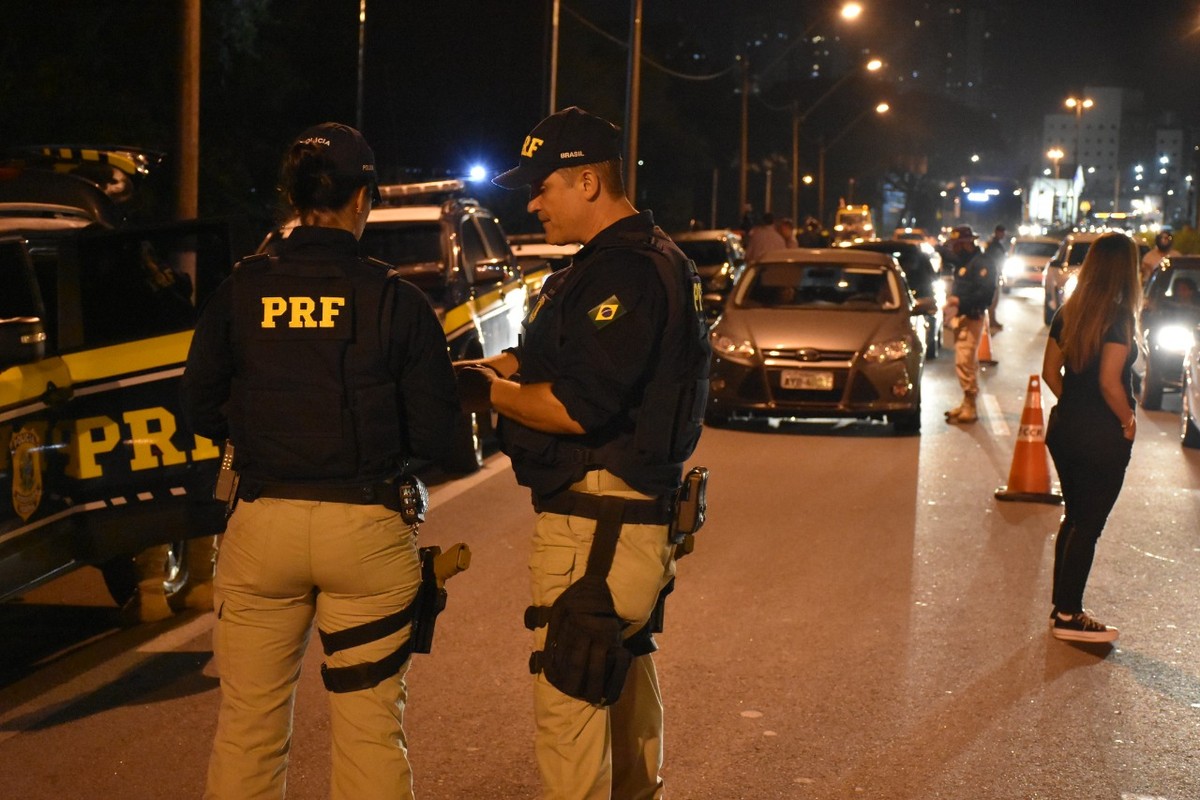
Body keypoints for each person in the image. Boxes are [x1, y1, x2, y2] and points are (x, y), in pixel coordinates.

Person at [181, 122, 461, 800]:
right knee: (368, 731)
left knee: (248, 726)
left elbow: (194, 410)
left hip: (261, 523)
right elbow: (442, 437)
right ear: (363, 198)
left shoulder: (241, 291)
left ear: (291, 197)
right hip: (365, 530)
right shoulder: (394, 298)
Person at [460, 106, 710, 799]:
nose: (534, 204)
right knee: (621, 688)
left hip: (597, 527)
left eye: (544, 187)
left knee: (572, 715)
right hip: (623, 524)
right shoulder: (639, 260)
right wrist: (501, 368)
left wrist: (490, 396)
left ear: (589, 182)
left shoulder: (624, 273)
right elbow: (558, 360)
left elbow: (577, 405)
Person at [1041, 231, 1140, 643]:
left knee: (1074, 515)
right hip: (1101, 435)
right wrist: (1127, 420)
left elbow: (1050, 373)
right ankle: (1069, 614)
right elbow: (1109, 382)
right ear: (1126, 271)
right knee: (1089, 523)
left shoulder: (1069, 310)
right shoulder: (1118, 319)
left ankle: (1060, 606)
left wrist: (1075, 408)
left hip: (1064, 429)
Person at [943, 225, 997, 423]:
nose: (954, 249)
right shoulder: (965, 262)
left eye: (956, 245)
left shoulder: (982, 263)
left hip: (973, 315)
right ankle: (966, 402)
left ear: (966, 243)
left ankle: (970, 405)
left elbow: (984, 294)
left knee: (965, 360)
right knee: (965, 360)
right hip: (963, 315)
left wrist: (959, 302)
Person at [985, 224, 1008, 331]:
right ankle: (991, 321)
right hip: (992, 275)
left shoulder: (997, 244)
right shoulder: (993, 245)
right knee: (993, 299)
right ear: (997, 232)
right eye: (1001, 232)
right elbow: (992, 261)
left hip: (996, 274)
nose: (1003, 235)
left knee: (995, 299)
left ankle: (992, 320)